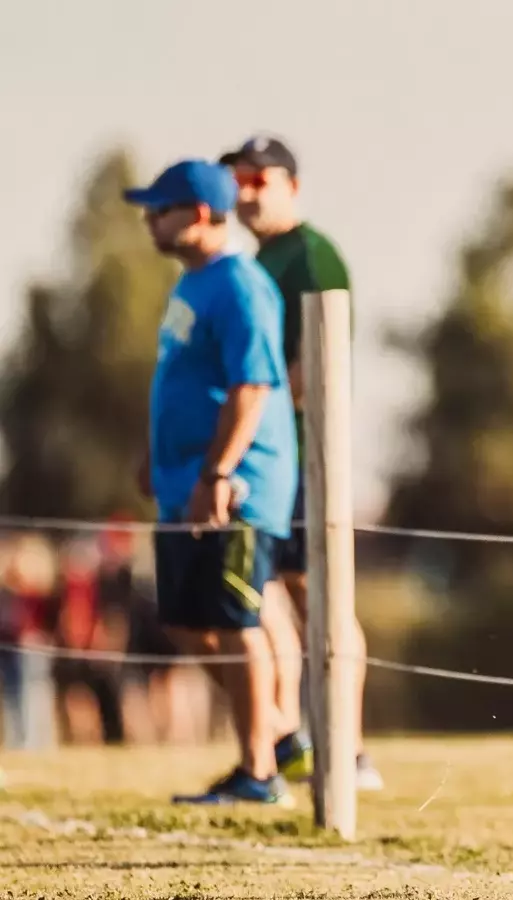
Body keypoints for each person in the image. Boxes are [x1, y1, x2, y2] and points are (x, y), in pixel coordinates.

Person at [125, 159, 298, 804]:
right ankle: (277, 736)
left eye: (160, 210)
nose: (150, 221)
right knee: (180, 619)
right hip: (182, 481)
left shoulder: (240, 285)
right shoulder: (191, 286)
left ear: (199, 215)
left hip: (231, 487)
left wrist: (217, 472)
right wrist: (155, 453)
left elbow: (252, 386)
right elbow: (184, 380)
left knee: (233, 621)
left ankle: (260, 770)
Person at [220, 135, 382, 792]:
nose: (248, 192)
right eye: (238, 180)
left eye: (261, 178)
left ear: (292, 185)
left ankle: (352, 752)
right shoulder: (262, 258)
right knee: (277, 598)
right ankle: (293, 738)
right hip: (272, 461)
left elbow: (314, 365)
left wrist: (247, 423)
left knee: (324, 598)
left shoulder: (311, 255)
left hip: (307, 458)